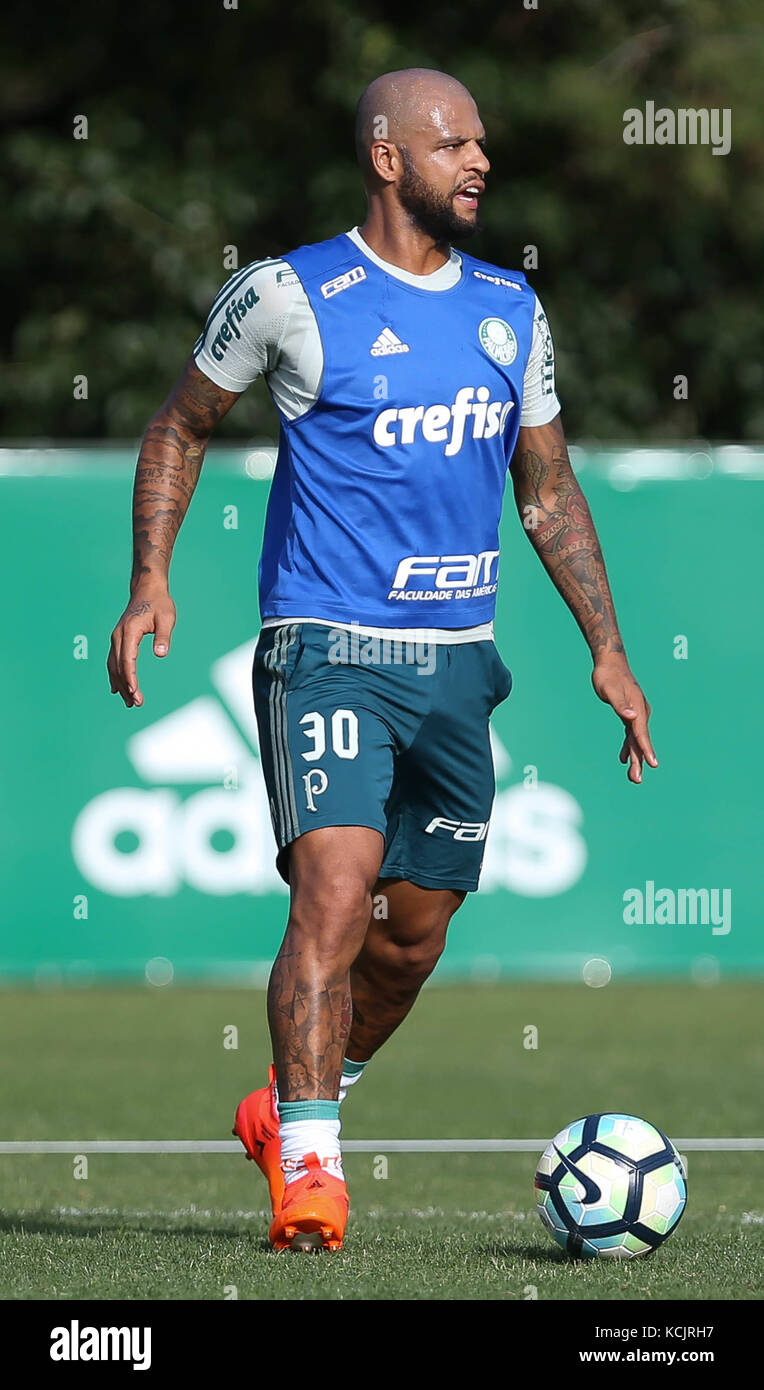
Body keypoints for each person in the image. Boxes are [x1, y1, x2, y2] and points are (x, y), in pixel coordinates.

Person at [107, 68, 657, 1253]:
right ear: (385, 156)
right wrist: (151, 577)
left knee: (410, 939)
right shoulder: (286, 294)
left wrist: (606, 649)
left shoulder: (509, 307)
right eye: (453, 143)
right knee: (334, 891)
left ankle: (290, 1103)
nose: (479, 161)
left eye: (481, 143)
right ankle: (312, 1173)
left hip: (458, 663)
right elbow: (178, 424)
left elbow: (545, 486)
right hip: (326, 646)